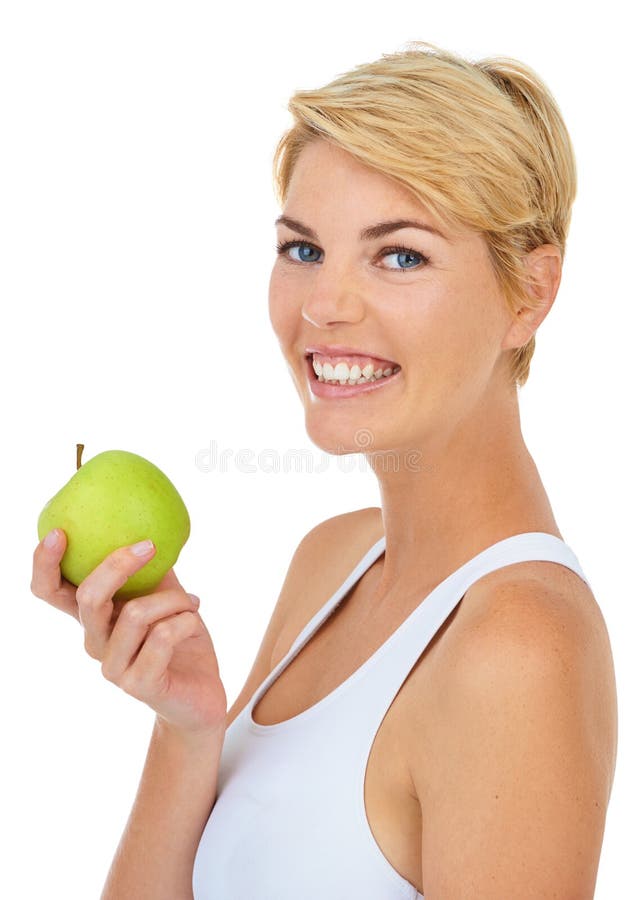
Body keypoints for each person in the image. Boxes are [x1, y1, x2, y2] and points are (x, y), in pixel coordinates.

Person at [31, 40, 617, 899]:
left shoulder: (518, 645)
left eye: (400, 255)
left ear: (528, 294)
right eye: (303, 249)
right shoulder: (332, 560)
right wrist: (186, 729)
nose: (324, 306)